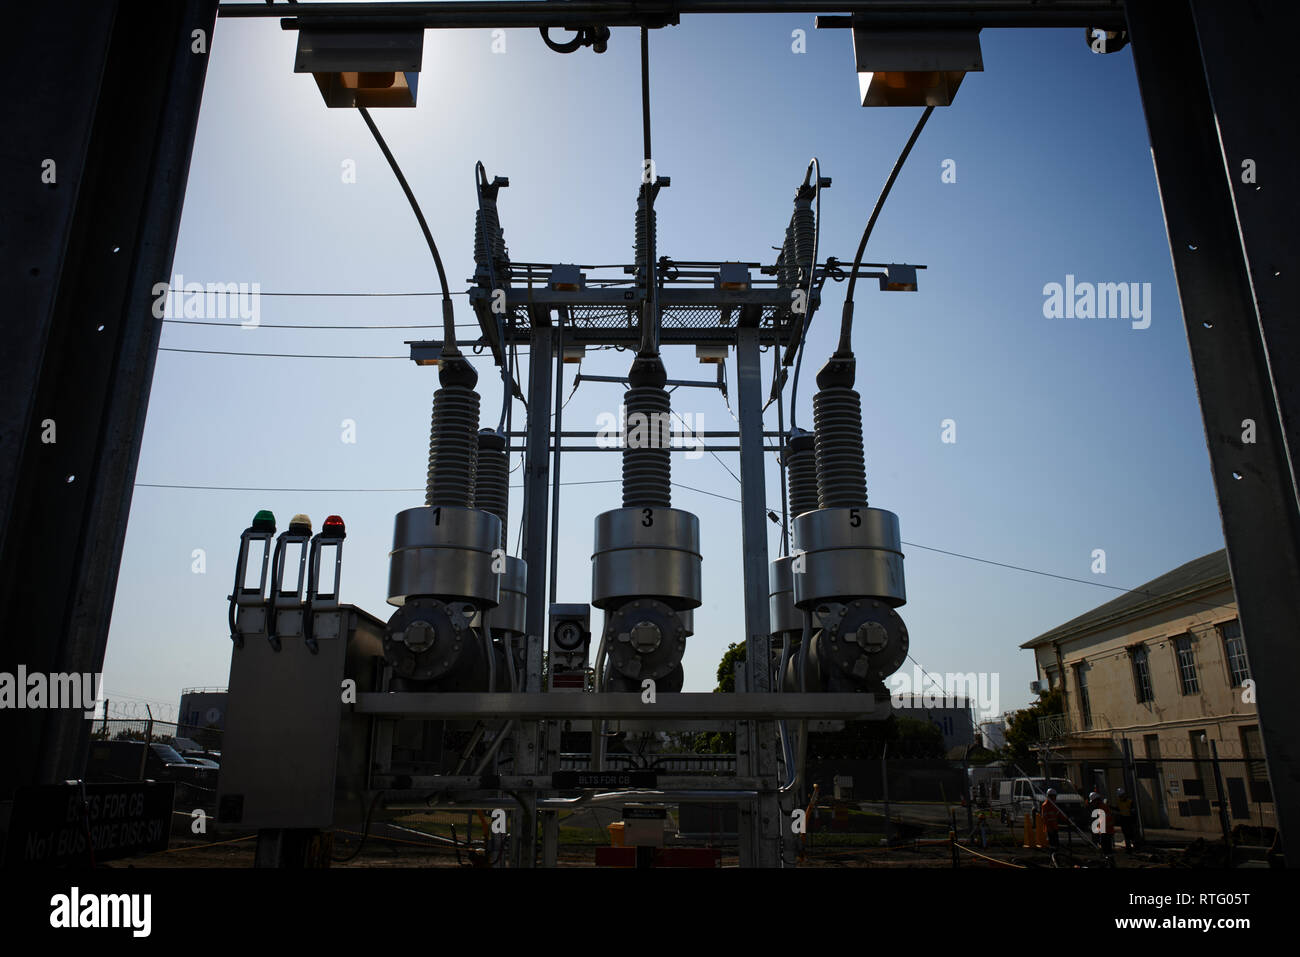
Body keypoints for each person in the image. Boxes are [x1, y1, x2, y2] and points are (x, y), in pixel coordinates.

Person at [1089, 791, 1116, 866]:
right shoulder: (1100, 807)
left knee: (1106, 849)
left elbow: (1103, 822)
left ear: (1096, 800)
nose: (1093, 804)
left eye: (1093, 802)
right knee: (1107, 849)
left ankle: (1109, 863)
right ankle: (1109, 862)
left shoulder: (1102, 808)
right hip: (1106, 831)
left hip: (1106, 831)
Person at [1041, 788, 1064, 865]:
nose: (1055, 798)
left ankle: (1056, 859)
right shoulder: (1045, 805)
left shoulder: (1053, 805)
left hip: (1054, 827)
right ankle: (1052, 859)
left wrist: (1066, 819)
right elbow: (1045, 819)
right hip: (1050, 829)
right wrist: (1049, 828)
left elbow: (1058, 814)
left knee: (1056, 845)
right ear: (1050, 796)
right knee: (1052, 845)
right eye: (1054, 796)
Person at [1114, 787, 1140, 852]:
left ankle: (1136, 847)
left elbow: (1133, 811)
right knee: (1126, 834)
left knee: (1132, 834)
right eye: (1120, 796)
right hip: (1123, 819)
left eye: (1122, 796)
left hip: (1130, 819)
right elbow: (1118, 809)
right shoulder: (1119, 802)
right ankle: (1129, 848)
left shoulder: (1130, 801)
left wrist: (1134, 820)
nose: (1121, 797)